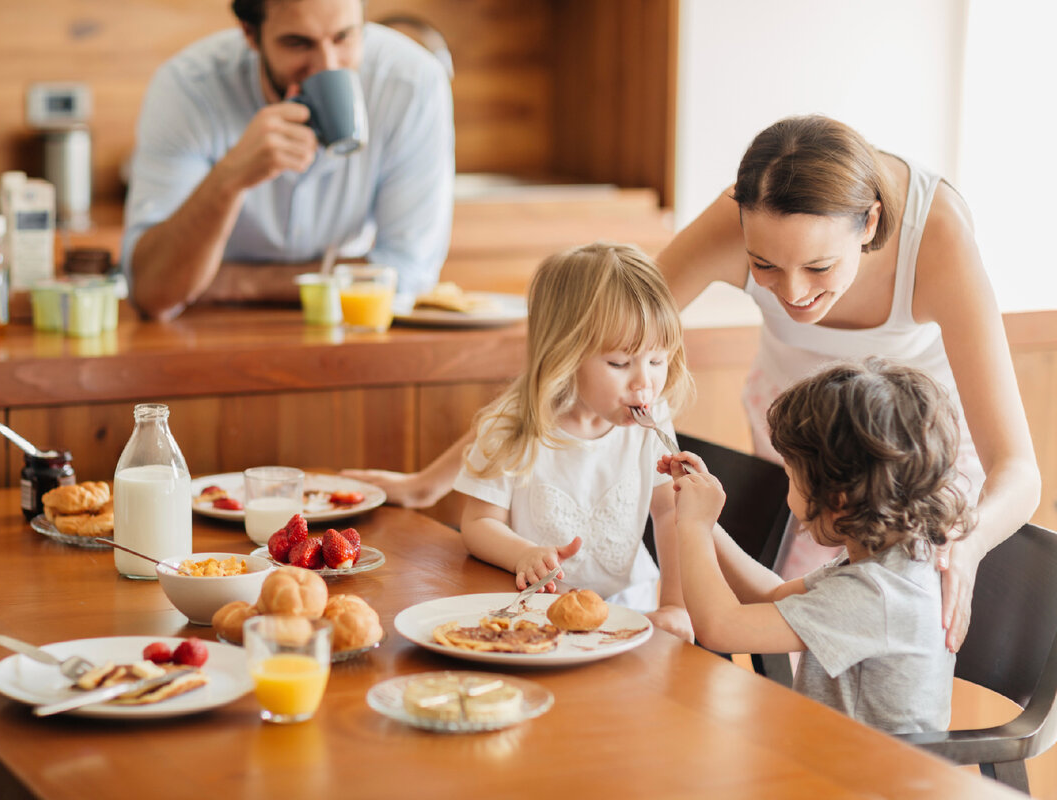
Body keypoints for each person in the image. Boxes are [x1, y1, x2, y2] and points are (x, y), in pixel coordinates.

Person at [344, 114, 1041, 651]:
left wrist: (968, 542)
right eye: (763, 267)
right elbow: (574, 356)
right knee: (796, 628)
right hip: (797, 434)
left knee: (880, 630)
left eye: (820, 269)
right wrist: (431, 483)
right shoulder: (741, 212)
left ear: (871, 225)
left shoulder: (936, 233)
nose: (792, 295)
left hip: (912, 455)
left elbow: (1019, 468)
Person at [664, 358, 973, 734]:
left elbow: (719, 626)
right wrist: (706, 523)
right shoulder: (894, 558)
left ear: (838, 499)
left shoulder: (876, 594)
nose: (787, 486)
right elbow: (773, 595)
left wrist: (692, 526)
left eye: (791, 476)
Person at [122, 0, 455, 320]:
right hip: (209, 334)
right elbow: (153, 292)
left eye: (344, 37)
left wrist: (233, 282)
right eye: (298, 43)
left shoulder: (412, 83)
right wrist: (229, 179)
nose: (328, 65)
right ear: (251, 34)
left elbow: (408, 273)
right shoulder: (188, 88)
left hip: (344, 329)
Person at [453, 242, 695, 639]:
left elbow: (669, 514)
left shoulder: (654, 421)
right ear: (564, 353)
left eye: (657, 361)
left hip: (630, 610)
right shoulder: (513, 424)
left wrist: (674, 605)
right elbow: (478, 522)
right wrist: (522, 554)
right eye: (619, 363)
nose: (644, 382)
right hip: (536, 615)